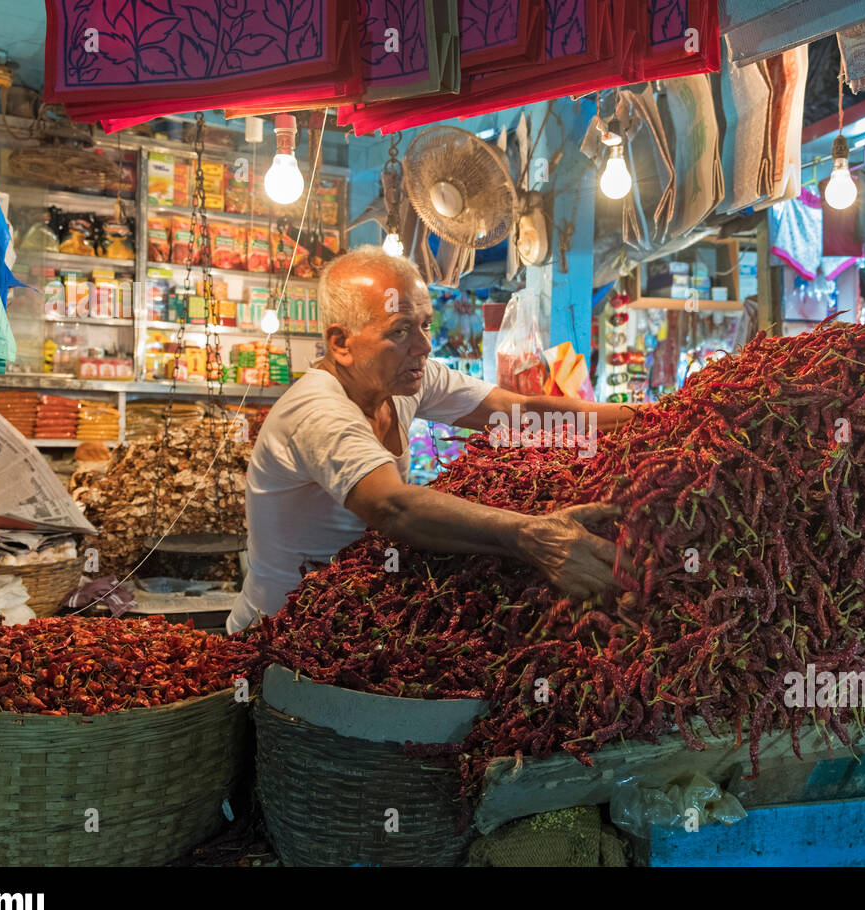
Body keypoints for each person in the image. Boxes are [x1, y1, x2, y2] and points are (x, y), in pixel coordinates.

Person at [226, 247, 638, 633]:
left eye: (425, 325)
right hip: (279, 637)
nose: (424, 346)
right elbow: (393, 507)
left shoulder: (403, 383)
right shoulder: (318, 411)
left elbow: (521, 415)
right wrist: (528, 535)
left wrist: (651, 417)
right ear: (341, 344)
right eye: (400, 331)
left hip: (350, 618)